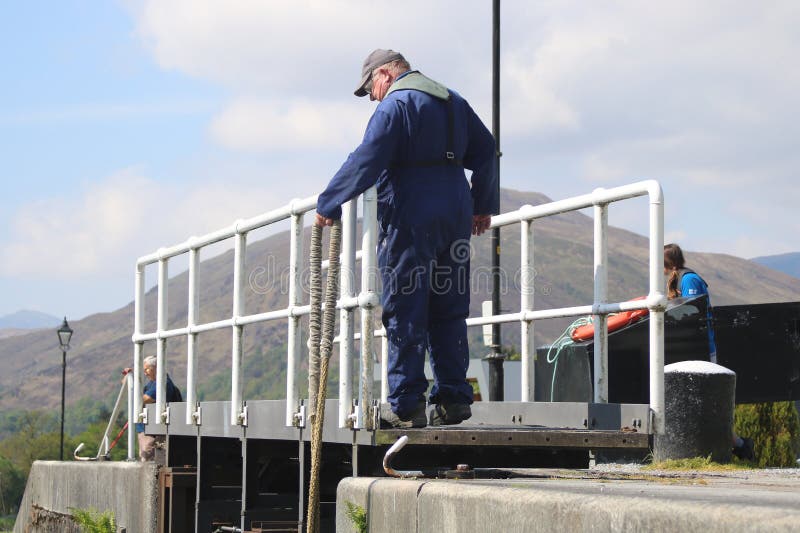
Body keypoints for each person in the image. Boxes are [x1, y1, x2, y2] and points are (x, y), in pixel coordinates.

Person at [315, 49, 497, 428]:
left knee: (405, 304)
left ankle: (407, 404)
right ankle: (452, 399)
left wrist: (330, 201)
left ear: (385, 73)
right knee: (449, 306)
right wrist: (482, 204)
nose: (374, 97)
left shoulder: (395, 106)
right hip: (455, 209)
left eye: (371, 89)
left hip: (412, 210)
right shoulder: (454, 101)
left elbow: (368, 158)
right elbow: (486, 150)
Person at [664, 243, 754, 461]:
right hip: (690, 348)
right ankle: (737, 446)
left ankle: (740, 445)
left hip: (702, 347)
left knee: (709, 402)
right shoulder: (680, 279)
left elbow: (692, 312)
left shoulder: (689, 280)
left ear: (670, 263)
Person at [123, 355, 182, 461]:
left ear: (155, 368)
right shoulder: (152, 383)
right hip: (148, 429)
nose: (145, 373)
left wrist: (132, 383)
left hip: (152, 430)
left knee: (148, 458)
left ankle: (151, 478)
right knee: (146, 457)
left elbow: (144, 399)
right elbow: (133, 391)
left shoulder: (162, 383)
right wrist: (131, 378)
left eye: (146, 370)